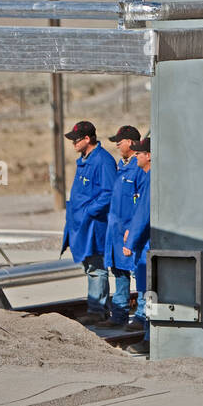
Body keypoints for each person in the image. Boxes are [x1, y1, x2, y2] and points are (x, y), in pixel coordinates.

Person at [59, 120, 117, 324]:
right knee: (89, 266)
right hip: (82, 224)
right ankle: (95, 308)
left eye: (76, 139)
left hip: (95, 225)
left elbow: (109, 193)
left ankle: (97, 311)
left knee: (96, 267)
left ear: (87, 139)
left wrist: (88, 211)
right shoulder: (85, 159)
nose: (73, 143)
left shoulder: (103, 160)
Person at [100, 126, 144, 329]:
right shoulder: (122, 167)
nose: (117, 144)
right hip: (116, 231)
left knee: (140, 274)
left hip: (132, 232)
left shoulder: (139, 168)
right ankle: (119, 314)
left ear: (131, 142)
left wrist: (133, 231)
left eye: (120, 140)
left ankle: (142, 316)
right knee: (119, 272)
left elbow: (142, 204)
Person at [122, 136, 151, 355]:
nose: (137, 157)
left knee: (150, 293)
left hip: (147, 246)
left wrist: (130, 240)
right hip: (146, 245)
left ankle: (150, 339)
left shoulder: (150, 180)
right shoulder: (148, 177)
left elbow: (143, 214)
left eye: (139, 153)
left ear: (148, 156)